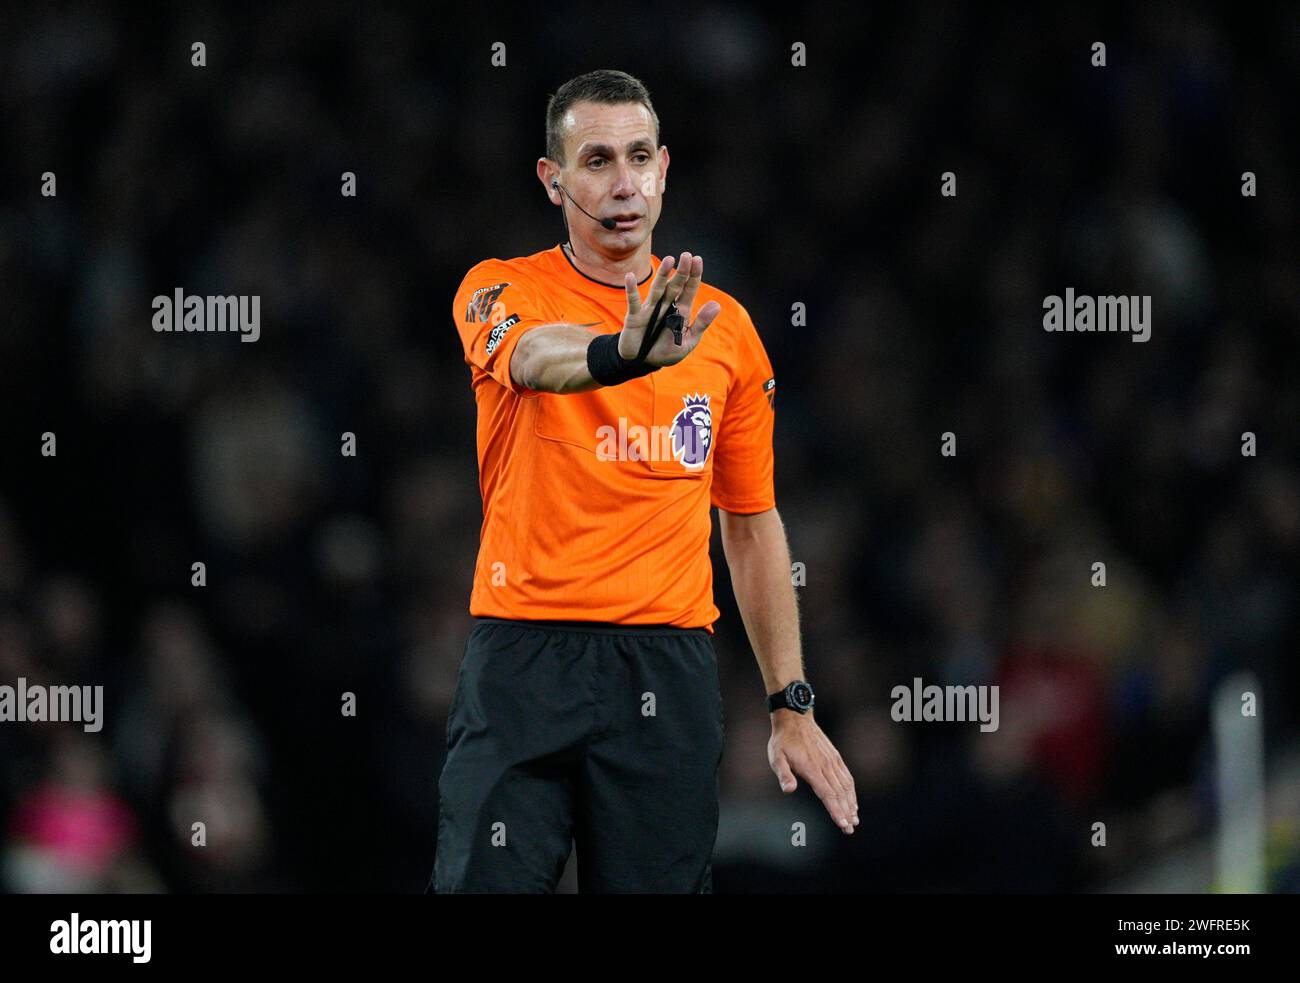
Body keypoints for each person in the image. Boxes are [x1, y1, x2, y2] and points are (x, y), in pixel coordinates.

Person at [430, 69, 857, 894]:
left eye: (636, 157)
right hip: (523, 662)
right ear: (553, 180)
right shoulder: (498, 288)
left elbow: (751, 521)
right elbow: (532, 359)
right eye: (595, 160)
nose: (621, 183)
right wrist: (618, 356)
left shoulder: (724, 329)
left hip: (667, 671)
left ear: (664, 168)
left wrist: (790, 703)